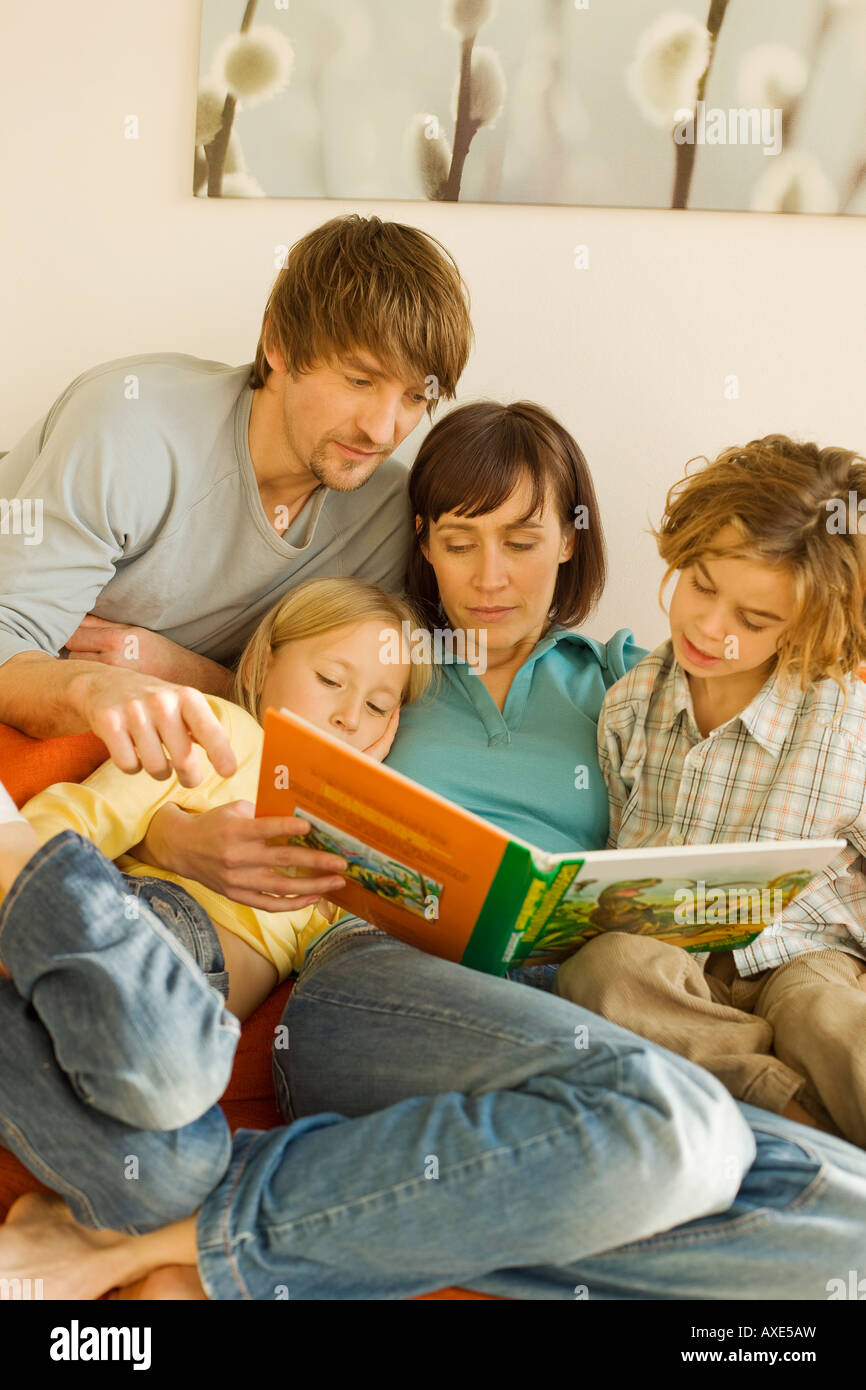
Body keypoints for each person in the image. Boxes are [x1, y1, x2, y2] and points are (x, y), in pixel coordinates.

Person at [3, 403, 865, 1301]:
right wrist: (168, 776)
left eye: (524, 542)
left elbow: (770, 656)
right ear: (423, 544)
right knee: (676, 1132)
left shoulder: (627, 682)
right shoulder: (391, 657)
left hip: (556, 1004)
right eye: (460, 542)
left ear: (571, 543)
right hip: (374, 970)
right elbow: (267, 708)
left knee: (847, 1223)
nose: (490, 578)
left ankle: (250, 1231)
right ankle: (224, 1239)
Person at [0, 214, 472, 801]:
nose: (382, 429)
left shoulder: (386, 517)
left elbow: (329, 708)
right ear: (279, 343)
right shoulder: (130, 431)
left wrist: (181, 674)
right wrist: (96, 689)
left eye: (414, 397)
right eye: (359, 380)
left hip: (171, 774)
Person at [555, 435, 866, 1147]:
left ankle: (774, 1086)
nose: (710, 626)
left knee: (825, 1020)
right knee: (604, 972)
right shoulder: (630, 705)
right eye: (700, 583)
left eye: (753, 622)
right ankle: (789, 1107)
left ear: (808, 627)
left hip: (805, 955)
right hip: (675, 969)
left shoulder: (847, 720)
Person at [7, 578, 430, 1029]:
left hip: (200, 1019)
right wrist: (20, 881)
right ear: (261, 669)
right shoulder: (222, 732)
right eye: (330, 679)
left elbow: (328, 949)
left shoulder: (345, 828)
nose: (349, 715)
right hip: (155, 925)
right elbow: (90, 814)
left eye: (377, 706)